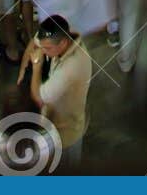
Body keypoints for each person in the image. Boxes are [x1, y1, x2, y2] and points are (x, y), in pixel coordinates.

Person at [19, 16, 93, 165]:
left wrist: (36, 65)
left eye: (47, 49)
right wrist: (22, 70)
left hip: (65, 133)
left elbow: (38, 97)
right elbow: (36, 41)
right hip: (54, 122)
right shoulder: (63, 35)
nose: (43, 51)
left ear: (63, 43)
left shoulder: (70, 69)